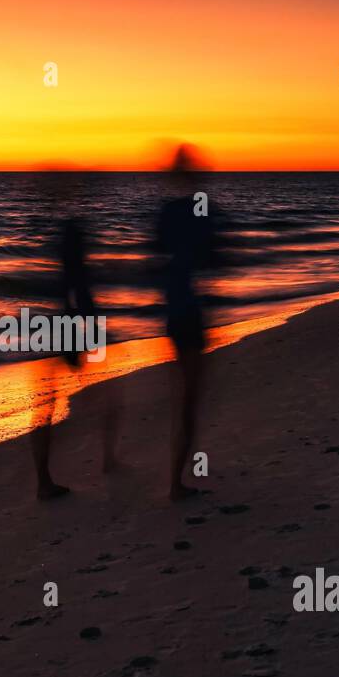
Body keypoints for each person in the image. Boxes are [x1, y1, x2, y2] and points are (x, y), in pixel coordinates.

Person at [29, 174, 119, 499]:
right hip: (69, 326)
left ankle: (45, 479)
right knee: (103, 394)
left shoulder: (51, 230)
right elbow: (77, 286)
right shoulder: (71, 231)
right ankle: (107, 460)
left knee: (47, 404)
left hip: (44, 324)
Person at [154, 144, 223, 500]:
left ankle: (176, 473)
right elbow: (216, 258)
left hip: (171, 308)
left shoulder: (167, 212)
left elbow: (155, 257)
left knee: (181, 393)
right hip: (192, 310)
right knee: (189, 399)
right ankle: (175, 483)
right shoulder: (205, 211)